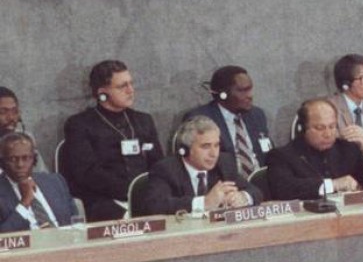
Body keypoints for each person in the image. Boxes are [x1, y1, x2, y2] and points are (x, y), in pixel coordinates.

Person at [62, 60, 164, 221]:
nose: (131, 90)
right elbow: (87, 174)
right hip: (104, 200)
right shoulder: (80, 125)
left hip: (145, 196)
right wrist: (131, 191)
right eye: (122, 86)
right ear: (102, 92)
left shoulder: (143, 121)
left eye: (131, 83)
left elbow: (158, 164)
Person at [135, 116, 260, 216]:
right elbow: (155, 206)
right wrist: (204, 202)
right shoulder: (166, 170)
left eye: (216, 145)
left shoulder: (224, 163)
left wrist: (242, 197)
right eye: (205, 146)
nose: (213, 154)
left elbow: (256, 191)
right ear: (186, 149)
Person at [267, 98, 363, 200]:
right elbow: (282, 189)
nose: (328, 134)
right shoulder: (282, 156)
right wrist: (332, 185)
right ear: (302, 128)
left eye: (332, 126)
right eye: (320, 128)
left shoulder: (347, 149)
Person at [183, 65, 272, 177]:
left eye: (250, 89)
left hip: (261, 182)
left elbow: (267, 152)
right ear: (223, 95)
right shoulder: (201, 119)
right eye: (242, 91)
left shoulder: (256, 115)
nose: (250, 96)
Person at [0, 133, 75, 231]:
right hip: (28, 245)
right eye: (13, 159)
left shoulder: (55, 182)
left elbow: (76, 222)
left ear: (34, 159)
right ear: (2, 162)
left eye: (26, 158)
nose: (20, 165)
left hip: (64, 241)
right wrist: (25, 202)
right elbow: (3, 236)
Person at [0, 87, 47, 172]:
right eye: (3, 112)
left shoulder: (25, 139)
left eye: (15, 112)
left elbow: (42, 174)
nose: (11, 118)